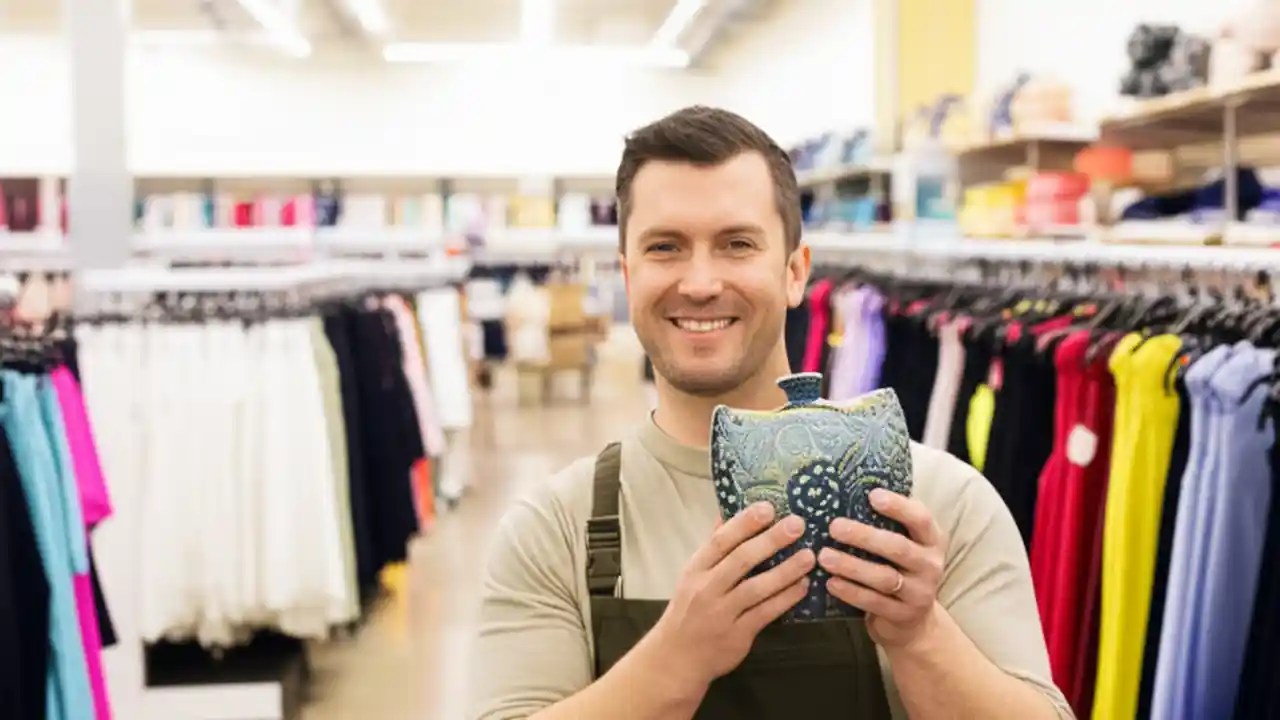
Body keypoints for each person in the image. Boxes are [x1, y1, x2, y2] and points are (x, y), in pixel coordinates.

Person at [467, 106, 1073, 720]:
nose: (700, 282)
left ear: (794, 273)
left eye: (736, 245)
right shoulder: (557, 529)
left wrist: (920, 636)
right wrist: (677, 659)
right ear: (628, 277)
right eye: (665, 247)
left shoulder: (941, 506)